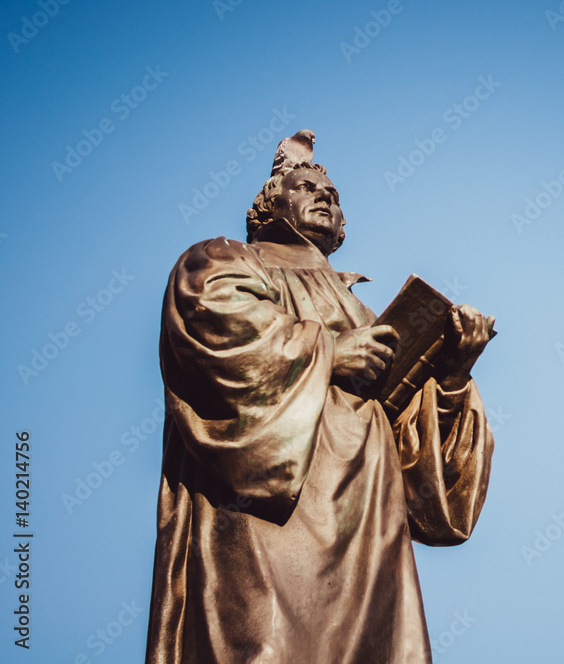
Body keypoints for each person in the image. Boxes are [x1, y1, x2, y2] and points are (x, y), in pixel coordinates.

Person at [145, 133, 495, 663]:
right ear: (270, 204)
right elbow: (212, 322)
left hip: (366, 525)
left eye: (331, 192)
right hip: (268, 512)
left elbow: (427, 495)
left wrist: (450, 377)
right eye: (305, 186)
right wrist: (328, 351)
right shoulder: (226, 259)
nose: (325, 195)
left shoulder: (365, 316)